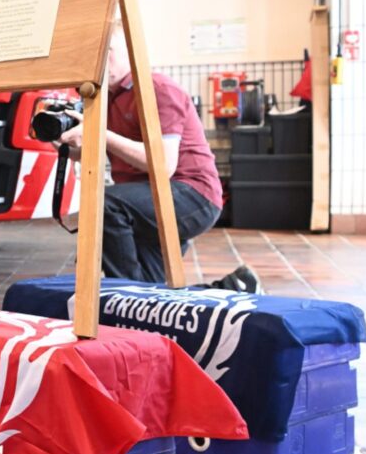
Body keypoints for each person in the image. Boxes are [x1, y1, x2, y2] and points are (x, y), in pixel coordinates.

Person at [60, 28, 260, 292]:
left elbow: (164, 165)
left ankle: (129, 300)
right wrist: (62, 142)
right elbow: (92, 152)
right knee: (157, 289)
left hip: (191, 194)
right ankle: (234, 287)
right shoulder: (104, 100)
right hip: (145, 201)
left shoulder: (156, 89)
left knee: (103, 203)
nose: (95, 59)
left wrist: (99, 134)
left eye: (106, 51)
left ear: (131, 56)